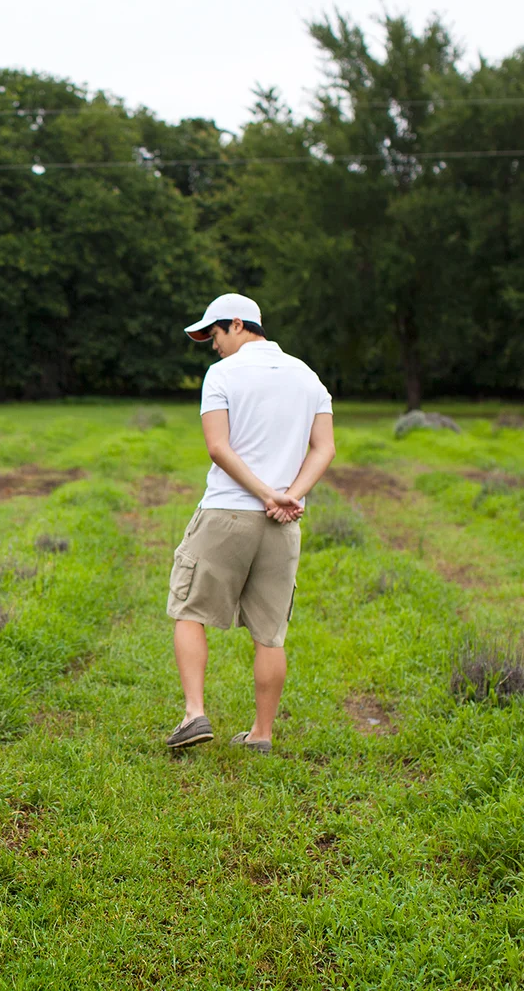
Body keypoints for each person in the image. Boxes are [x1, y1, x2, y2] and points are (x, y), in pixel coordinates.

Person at [163, 293, 335, 754]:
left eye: (215, 334)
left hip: (227, 512)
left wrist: (264, 493)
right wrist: (289, 495)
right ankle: (261, 735)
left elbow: (218, 447)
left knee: (188, 609)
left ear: (237, 324)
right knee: (270, 633)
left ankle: (194, 715)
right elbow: (325, 448)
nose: (213, 345)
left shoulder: (222, 374)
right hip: (283, 523)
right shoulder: (308, 376)